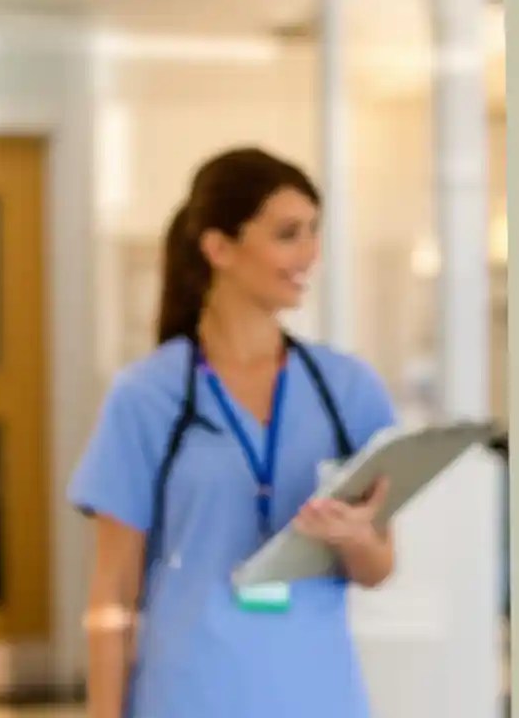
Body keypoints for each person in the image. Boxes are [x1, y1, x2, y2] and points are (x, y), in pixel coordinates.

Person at [69, 147, 397, 718]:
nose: (310, 253)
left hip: (317, 694)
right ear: (219, 247)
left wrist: (354, 538)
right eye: (288, 233)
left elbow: (379, 568)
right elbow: (113, 592)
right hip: (189, 692)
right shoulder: (148, 397)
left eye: (314, 232)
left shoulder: (347, 391)